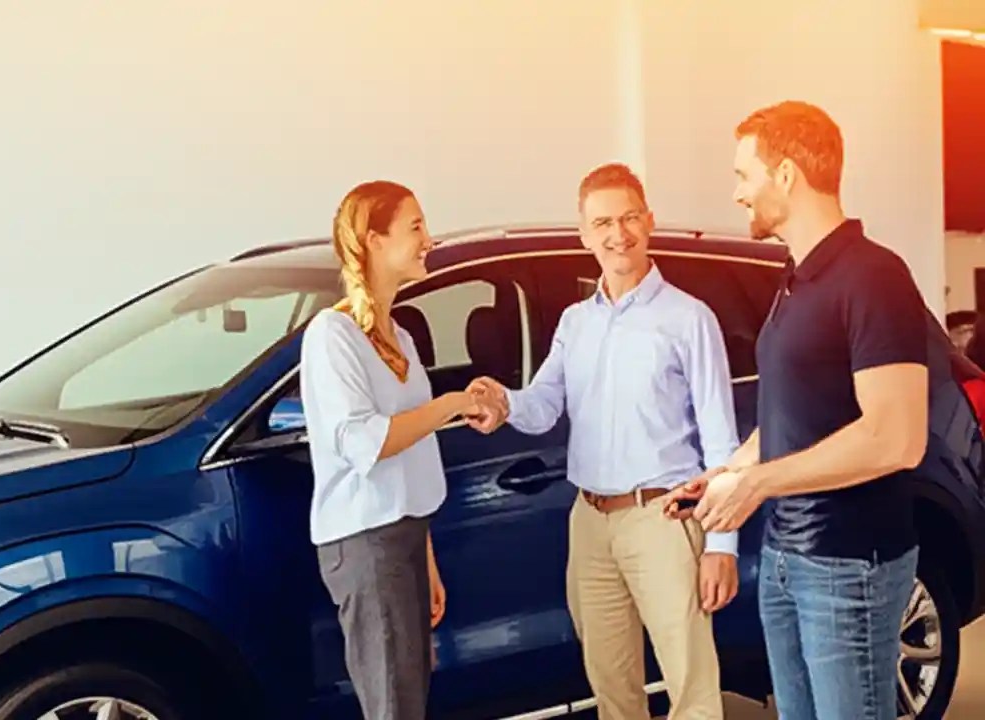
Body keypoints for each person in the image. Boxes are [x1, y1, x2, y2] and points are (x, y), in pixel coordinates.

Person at [664, 100, 929, 720]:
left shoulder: (874, 277)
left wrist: (758, 484)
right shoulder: (796, 277)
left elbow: (897, 438)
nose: (737, 193)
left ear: (785, 175)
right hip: (787, 557)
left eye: (744, 175)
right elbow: (795, 411)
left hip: (848, 565)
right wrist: (729, 472)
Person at [469, 163, 738, 720]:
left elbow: (722, 444)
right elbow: (545, 405)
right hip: (590, 522)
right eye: (603, 223)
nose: (619, 234)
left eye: (629, 217)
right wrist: (504, 403)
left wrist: (721, 547)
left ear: (649, 221)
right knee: (612, 690)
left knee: (691, 689)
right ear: (584, 235)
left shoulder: (688, 319)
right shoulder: (576, 323)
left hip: (663, 519)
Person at [300, 179, 485, 720]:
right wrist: (452, 404)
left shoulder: (400, 337)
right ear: (374, 240)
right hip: (367, 543)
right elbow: (368, 443)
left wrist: (424, 556)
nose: (429, 239)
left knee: (406, 701)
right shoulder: (332, 335)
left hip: (402, 538)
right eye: (416, 226)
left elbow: (410, 456)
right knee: (393, 706)